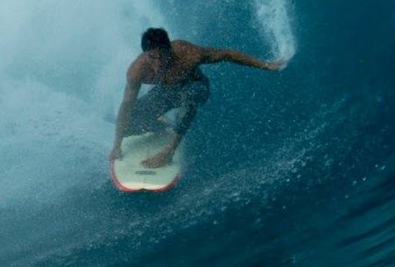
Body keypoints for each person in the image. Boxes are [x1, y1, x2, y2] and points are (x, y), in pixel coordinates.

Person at [111, 27, 286, 168]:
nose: (156, 63)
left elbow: (227, 54)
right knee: (129, 124)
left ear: (169, 49)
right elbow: (126, 106)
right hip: (166, 92)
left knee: (190, 97)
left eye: (161, 56)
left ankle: (169, 151)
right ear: (144, 54)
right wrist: (117, 145)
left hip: (195, 85)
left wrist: (266, 65)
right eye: (151, 57)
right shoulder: (137, 71)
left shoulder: (187, 53)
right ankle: (162, 126)